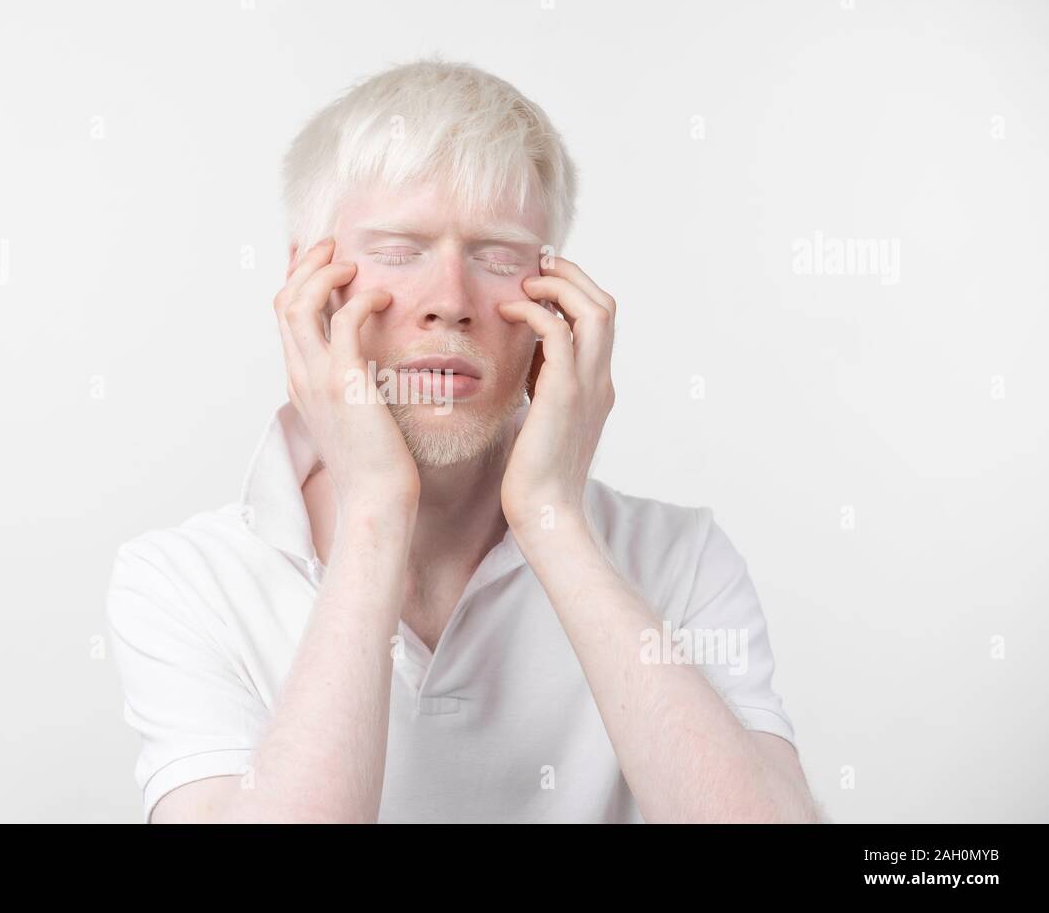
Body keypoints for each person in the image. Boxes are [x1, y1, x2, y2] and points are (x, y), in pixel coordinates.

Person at [107, 56, 822, 823]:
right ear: (303, 289)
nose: (450, 302)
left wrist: (552, 515)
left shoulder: (680, 560)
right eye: (398, 250)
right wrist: (377, 506)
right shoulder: (184, 582)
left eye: (497, 256)